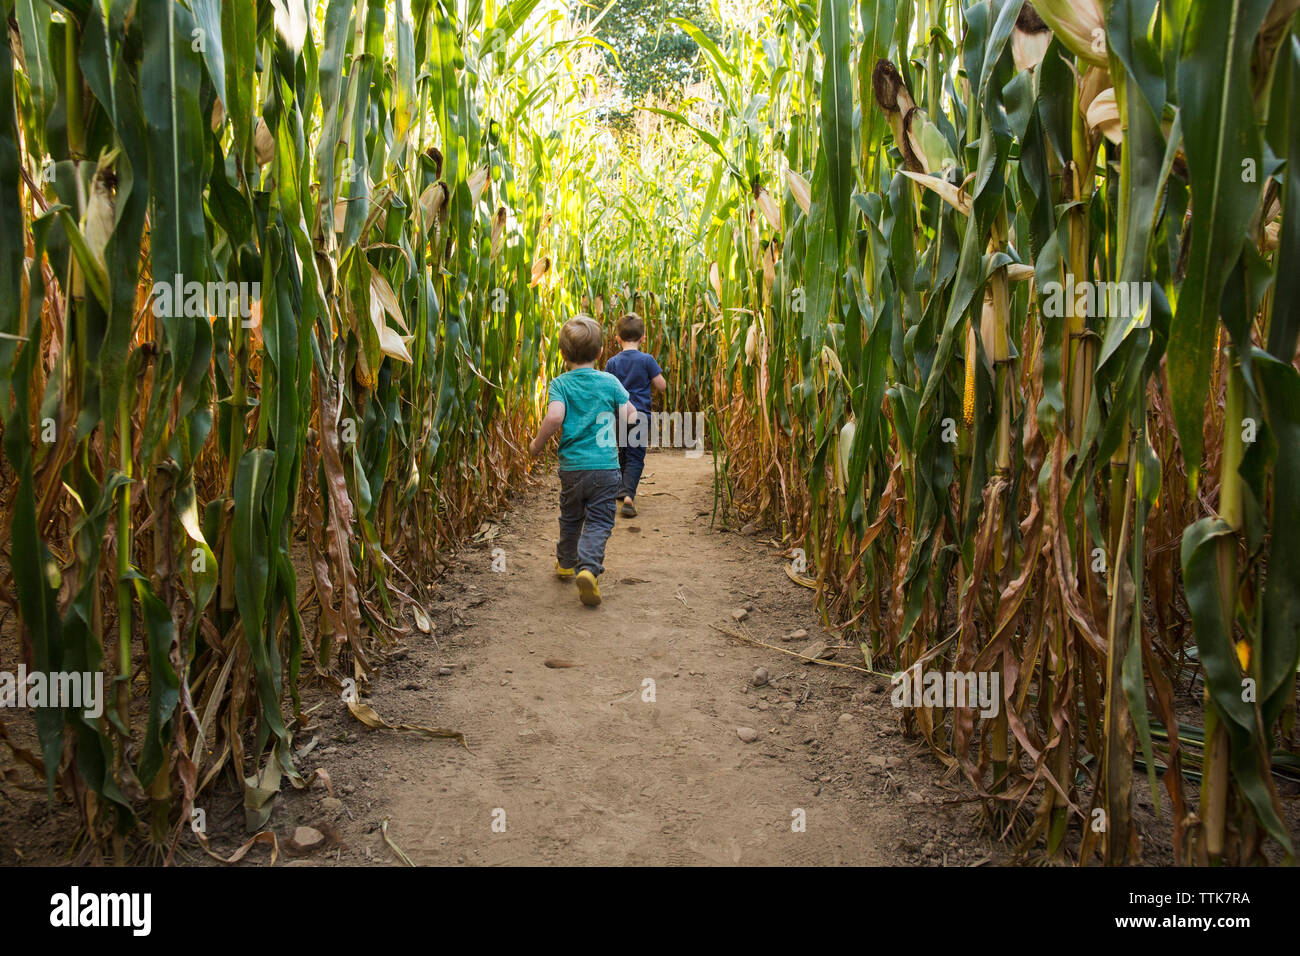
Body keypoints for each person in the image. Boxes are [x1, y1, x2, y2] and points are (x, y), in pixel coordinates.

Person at [529, 315, 637, 607]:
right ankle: (588, 568)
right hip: (605, 468)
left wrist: (537, 445)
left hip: (573, 469)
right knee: (600, 521)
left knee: (572, 517)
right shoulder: (610, 381)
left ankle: (565, 563)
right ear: (601, 352)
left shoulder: (560, 384)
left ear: (563, 354)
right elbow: (631, 416)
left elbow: (554, 417)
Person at [602, 312, 667, 517]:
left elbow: (606, 389)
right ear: (643, 338)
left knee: (621, 451)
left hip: (618, 415)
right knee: (635, 456)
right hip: (640, 415)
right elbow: (661, 385)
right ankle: (628, 496)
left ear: (618, 339)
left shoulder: (612, 362)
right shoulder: (647, 360)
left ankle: (621, 488)